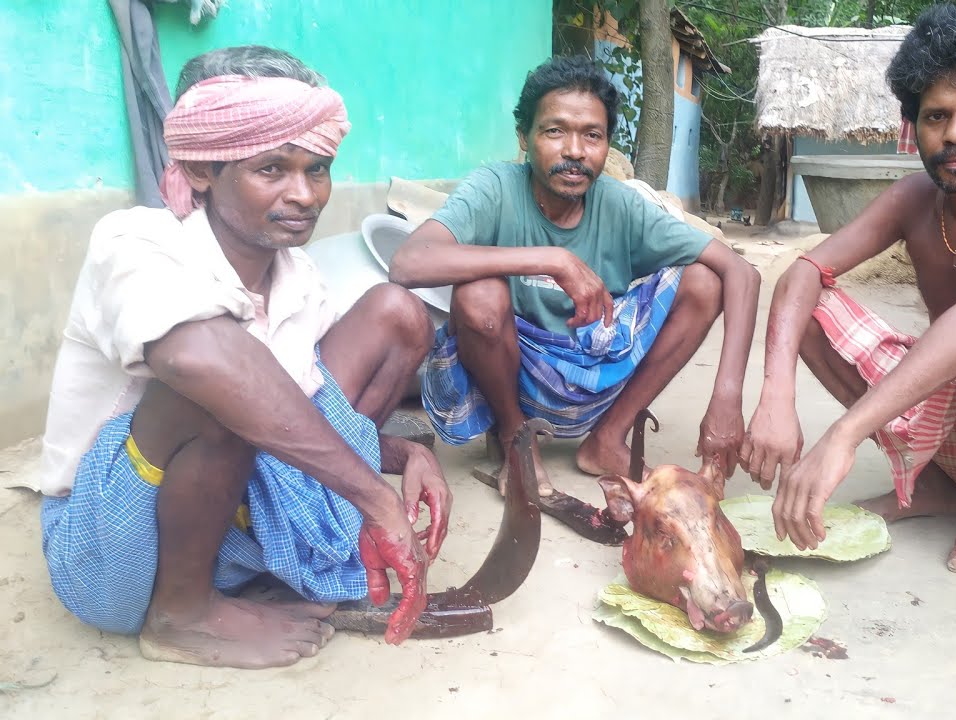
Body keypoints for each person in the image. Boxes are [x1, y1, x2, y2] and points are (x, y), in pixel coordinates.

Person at [38, 45, 448, 668]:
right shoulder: (134, 242)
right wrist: (375, 497)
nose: (305, 194)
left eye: (317, 168)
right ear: (202, 170)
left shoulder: (297, 276)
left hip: (217, 522)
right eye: (272, 169)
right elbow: (206, 366)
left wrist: (407, 453)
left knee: (377, 323)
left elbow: (302, 409)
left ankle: (247, 567)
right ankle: (180, 614)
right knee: (217, 380)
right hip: (106, 550)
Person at [738, 3, 956, 575]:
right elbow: (804, 272)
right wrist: (775, 396)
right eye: (936, 117)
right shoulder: (913, 199)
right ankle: (930, 486)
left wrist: (842, 436)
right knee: (809, 309)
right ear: (915, 126)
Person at [390, 55, 761, 494]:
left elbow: (743, 273)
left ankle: (607, 438)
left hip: (596, 372)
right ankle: (514, 439)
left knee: (705, 281)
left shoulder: (620, 204)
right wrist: (551, 259)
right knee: (479, 296)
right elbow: (408, 264)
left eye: (592, 135)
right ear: (523, 138)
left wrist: (727, 397)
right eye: (554, 131)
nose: (575, 151)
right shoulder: (495, 188)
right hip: (512, 375)